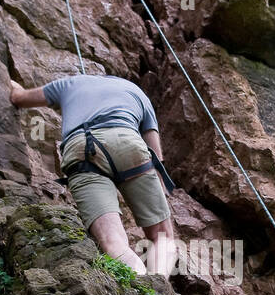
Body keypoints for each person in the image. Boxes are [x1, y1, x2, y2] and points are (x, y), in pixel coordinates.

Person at [10, 72, 177, 276]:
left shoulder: (69, 83)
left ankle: (137, 284)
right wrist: (158, 197)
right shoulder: (137, 92)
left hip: (80, 149)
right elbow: (156, 156)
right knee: (163, 236)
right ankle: (157, 289)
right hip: (126, 140)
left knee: (112, 242)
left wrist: (13, 86)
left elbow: (19, 98)